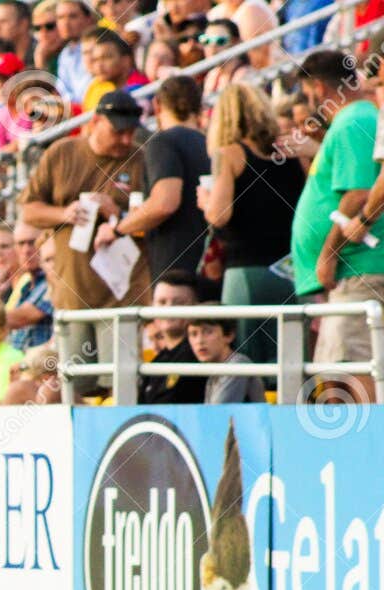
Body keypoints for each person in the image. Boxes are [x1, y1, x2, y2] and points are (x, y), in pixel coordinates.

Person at [19, 89, 150, 385]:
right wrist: (64, 213)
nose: (126, 141)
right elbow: (29, 210)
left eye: (131, 133)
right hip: (72, 292)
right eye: (118, 132)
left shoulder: (140, 159)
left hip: (120, 295)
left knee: (119, 383)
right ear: (96, 122)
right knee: (77, 385)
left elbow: (154, 217)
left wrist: (117, 216)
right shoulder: (62, 153)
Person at [298, 52, 384, 403]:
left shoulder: (353, 120)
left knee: (348, 380)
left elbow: (359, 192)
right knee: (338, 379)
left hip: (357, 272)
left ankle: (366, 454)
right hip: (353, 276)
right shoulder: (355, 120)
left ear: (317, 88)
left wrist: (328, 253)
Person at [200, 84, 302, 369]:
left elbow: (219, 215)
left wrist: (206, 201)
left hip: (247, 273)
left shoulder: (230, 153)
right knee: (289, 364)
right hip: (289, 271)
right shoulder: (292, 152)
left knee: (248, 365)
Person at [109, 75, 210, 281]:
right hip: (207, 263)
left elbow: (164, 203)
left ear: (157, 105)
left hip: (174, 269)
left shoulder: (163, 142)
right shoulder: (210, 144)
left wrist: (118, 229)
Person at [140, 271, 202, 404]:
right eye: (162, 302)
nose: (168, 309)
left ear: (196, 307)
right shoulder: (156, 362)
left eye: (178, 303)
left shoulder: (201, 355)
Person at [187, 316, 264, 403]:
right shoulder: (216, 370)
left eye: (208, 332)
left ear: (229, 335)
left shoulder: (237, 366)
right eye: (193, 334)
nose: (200, 341)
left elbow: (218, 413)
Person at [5, 222, 54, 349]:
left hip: (41, 365)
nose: (26, 250)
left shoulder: (51, 280)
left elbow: (22, 317)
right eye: (21, 244)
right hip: (20, 363)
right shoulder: (25, 285)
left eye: (32, 242)